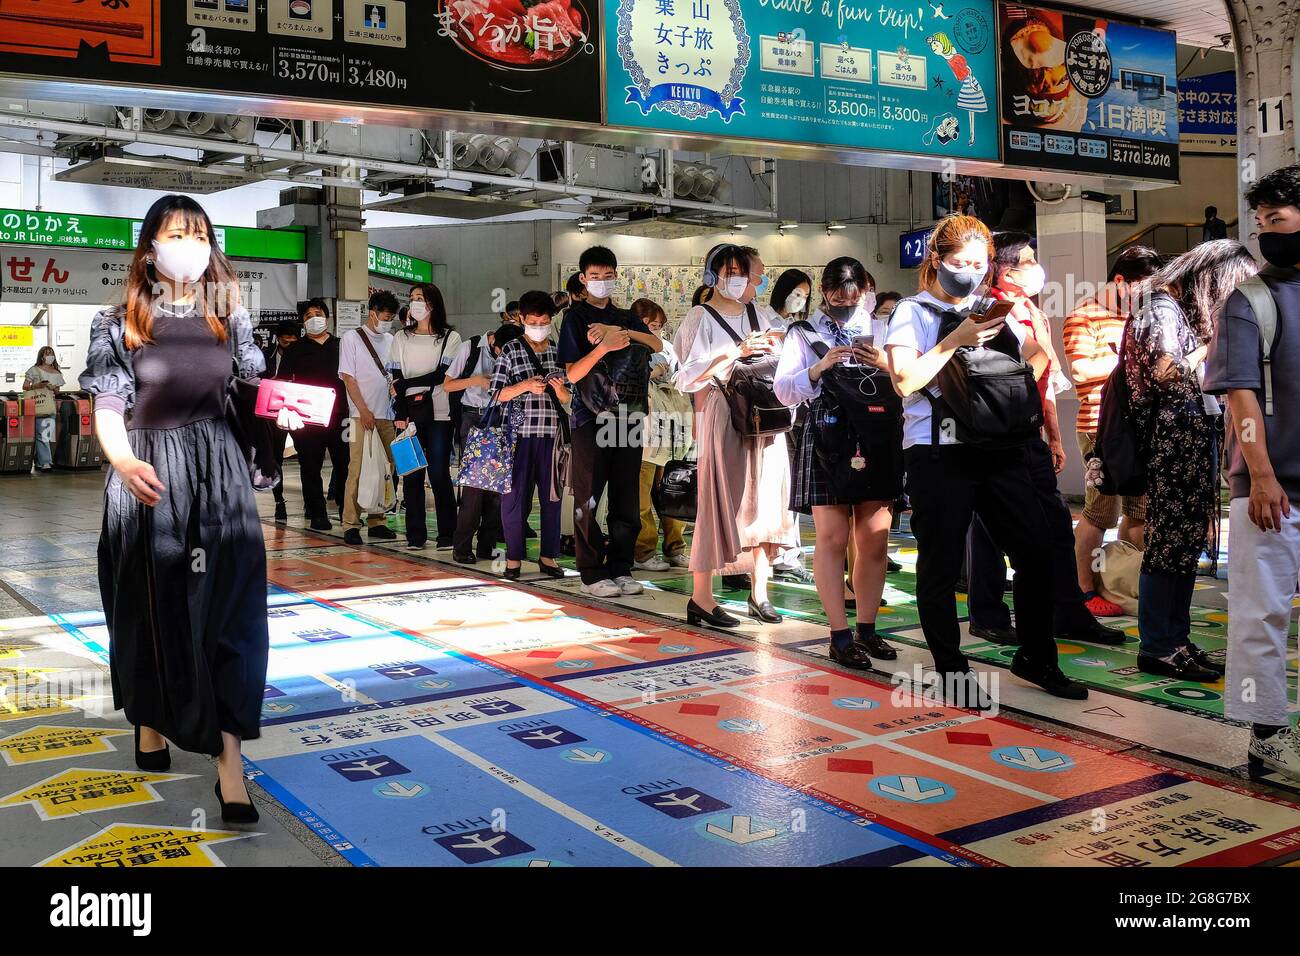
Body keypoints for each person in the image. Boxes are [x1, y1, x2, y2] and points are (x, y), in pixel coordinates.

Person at [80, 193, 302, 824]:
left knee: (230, 612)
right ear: (149, 247)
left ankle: (230, 761)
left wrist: (284, 410)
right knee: (151, 607)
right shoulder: (117, 321)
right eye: (178, 234)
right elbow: (108, 402)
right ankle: (149, 717)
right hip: (147, 471)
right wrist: (121, 461)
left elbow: (252, 387)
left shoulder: (228, 313)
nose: (191, 245)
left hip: (219, 471)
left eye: (201, 234)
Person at [885, 215, 1086, 704]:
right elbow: (904, 381)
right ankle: (952, 671)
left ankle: (1038, 656)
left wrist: (1000, 395)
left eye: (978, 264)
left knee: (1036, 552)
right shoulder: (912, 312)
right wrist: (956, 345)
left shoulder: (993, 308)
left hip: (999, 450)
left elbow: (1038, 357)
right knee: (941, 562)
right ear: (937, 260)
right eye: (959, 263)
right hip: (937, 453)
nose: (969, 272)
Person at [1100, 240, 1257, 681]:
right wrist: (1209, 347)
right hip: (1169, 445)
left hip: (1185, 442)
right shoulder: (1160, 305)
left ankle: (1177, 639)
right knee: (1169, 544)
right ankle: (1158, 645)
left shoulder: (1171, 306)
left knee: (1184, 544)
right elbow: (1164, 372)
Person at [965, 232, 1124, 647]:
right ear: (1002, 266)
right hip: (996, 432)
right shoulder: (987, 308)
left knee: (1054, 523)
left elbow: (1047, 379)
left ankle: (1067, 611)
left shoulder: (1032, 311)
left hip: (1029, 428)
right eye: (1028, 259)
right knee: (990, 528)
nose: (1037, 267)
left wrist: (1053, 436)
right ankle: (987, 613)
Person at [1207, 165, 1300, 778]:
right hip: (1273, 488)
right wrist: (1260, 475)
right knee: (1261, 612)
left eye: (1279, 218)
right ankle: (1265, 733)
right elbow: (1241, 394)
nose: (1267, 230)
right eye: (1262, 220)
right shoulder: (1249, 299)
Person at [776, 257, 900, 666]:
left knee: (874, 539)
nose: (847, 302)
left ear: (866, 289)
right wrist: (818, 367)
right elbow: (783, 392)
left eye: (855, 294)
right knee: (830, 538)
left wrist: (882, 361)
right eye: (837, 295)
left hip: (877, 436)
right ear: (824, 292)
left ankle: (868, 629)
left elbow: (910, 379)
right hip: (826, 436)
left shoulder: (882, 327)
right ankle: (839, 635)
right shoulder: (803, 332)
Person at [675, 243, 797, 627]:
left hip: (767, 415)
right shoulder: (700, 317)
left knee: (768, 502)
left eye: (753, 275)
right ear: (714, 275)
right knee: (720, 500)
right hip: (725, 411)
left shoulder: (761, 314)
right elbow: (684, 377)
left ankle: (760, 592)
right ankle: (702, 597)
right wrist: (736, 352)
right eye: (737, 273)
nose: (748, 282)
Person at [559, 246, 659, 597]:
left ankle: (621, 567)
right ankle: (590, 572)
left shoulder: (625, 316)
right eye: (595, 276)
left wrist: (623, 334)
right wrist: (602, 347)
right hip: (591, 416)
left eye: (608, 275)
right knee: (588, 496)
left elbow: (656, 342)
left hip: (629, 415)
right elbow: (572, 374)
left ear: (617, 276)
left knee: (625, 497)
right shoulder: (575, 318)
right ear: (583, 279)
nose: (602, 282)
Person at [1063, 245, 1160, 608]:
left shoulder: (1138, 318)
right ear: (1120, 281)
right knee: (1099, 512)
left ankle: (1122, 581)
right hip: (1100, 428)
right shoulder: (1082, 317)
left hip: (1139, 427)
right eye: (1143, 289)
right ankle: (1083, 587)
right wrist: (1135, 366)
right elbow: (1081, 372)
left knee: (1139, 510)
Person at [490, 291, 571, 579]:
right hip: (517, 438)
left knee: (552, 498)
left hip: (551, 437)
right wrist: (525, 385)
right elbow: (496, 393)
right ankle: (513, 558)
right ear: (522, 319)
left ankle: (548, 556)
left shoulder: (559, 350)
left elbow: (566, 398)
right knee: (513, 498)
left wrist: (559, 388)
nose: (539, 325)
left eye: (545, 321)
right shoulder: (511, 349)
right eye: (534, 320)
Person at [390, 283, 461, 550]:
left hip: (440, 414)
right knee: (411, 475)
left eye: (420, 298)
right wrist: (401, 409)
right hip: (407, 416)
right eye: (411, 298)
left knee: (440, 473)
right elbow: (395, 378)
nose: (415, 302)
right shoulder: (401, 338)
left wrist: (406, 385)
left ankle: (447, 534)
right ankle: (415, 535)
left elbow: (441, 377)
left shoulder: (450, 338)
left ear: (433, 302)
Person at [278, 299, 349, 530]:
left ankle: (346, 510)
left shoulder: (342, 346)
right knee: (310, 466)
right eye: (308, 316)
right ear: (303, 322)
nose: (313, 318)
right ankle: (317, 512)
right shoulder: (295, 350)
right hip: (308, 417)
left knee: (345, 465)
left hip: (341, 415)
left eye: (317, 313)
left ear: (327, 318)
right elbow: (283, 382)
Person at [630, 297, 690, 571]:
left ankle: (675, 547)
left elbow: (681, 377)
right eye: (649, 324)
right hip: (642, 433)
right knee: (641, 497)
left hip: (673, 430)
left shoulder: (667, 347)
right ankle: (643, 551)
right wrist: (652, 371)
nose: (654, 330)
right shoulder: (628, 347)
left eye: (658, 325)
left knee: (674, 492)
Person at [445, 323, 512, 564]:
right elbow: (447, 384)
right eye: (500, 352)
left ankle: (487, 545)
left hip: (501, 417)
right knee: (473, 487)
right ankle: (461, 546)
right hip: (473, 417)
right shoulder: (470, 347)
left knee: (496, 488)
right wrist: (475, 381)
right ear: (492, 342)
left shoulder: (512, 351)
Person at [768, 268, 817, 586]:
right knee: (775, 486)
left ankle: (788, 555)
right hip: (769, 410)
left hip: (798, 413)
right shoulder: (765, 321)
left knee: (792, 485)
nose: (801, 298)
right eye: (796, 291)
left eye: (806, 294)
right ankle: (775, 554)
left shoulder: (803, 328)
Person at [339, 290, 399, 546]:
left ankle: (378, 520)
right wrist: (363, 410)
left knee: (386, 470)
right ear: (371, 312)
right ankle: (351, 523)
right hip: (360, 416)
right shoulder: (351, 338)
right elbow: (348, 377)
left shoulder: (392, 339)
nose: (387, 322)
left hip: (388, 416)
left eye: (391, 318)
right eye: (384, 316)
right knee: (358, 469)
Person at [263, 319, 300, 520]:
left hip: (301, 411)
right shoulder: (266, 356)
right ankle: (279, 501)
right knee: (276, 458)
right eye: (286, 337)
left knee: (309, 457)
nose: (290, 340)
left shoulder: (304, 354)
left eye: (294, 336)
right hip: (274, 414)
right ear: (278, 338)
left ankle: (313, 505)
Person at [23, 346, 63, 473]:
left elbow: (58, 392)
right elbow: (25, 386)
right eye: (47, 353)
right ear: (41, 356)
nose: (50, 356)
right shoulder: (34, 370)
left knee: (45, 435)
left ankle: (42, 461)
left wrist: (53, 388)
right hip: (35, 405)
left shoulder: (56, 372)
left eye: (51, 353)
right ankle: (44, 461)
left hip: (49, 406)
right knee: (40, 435)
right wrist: (38, 385)